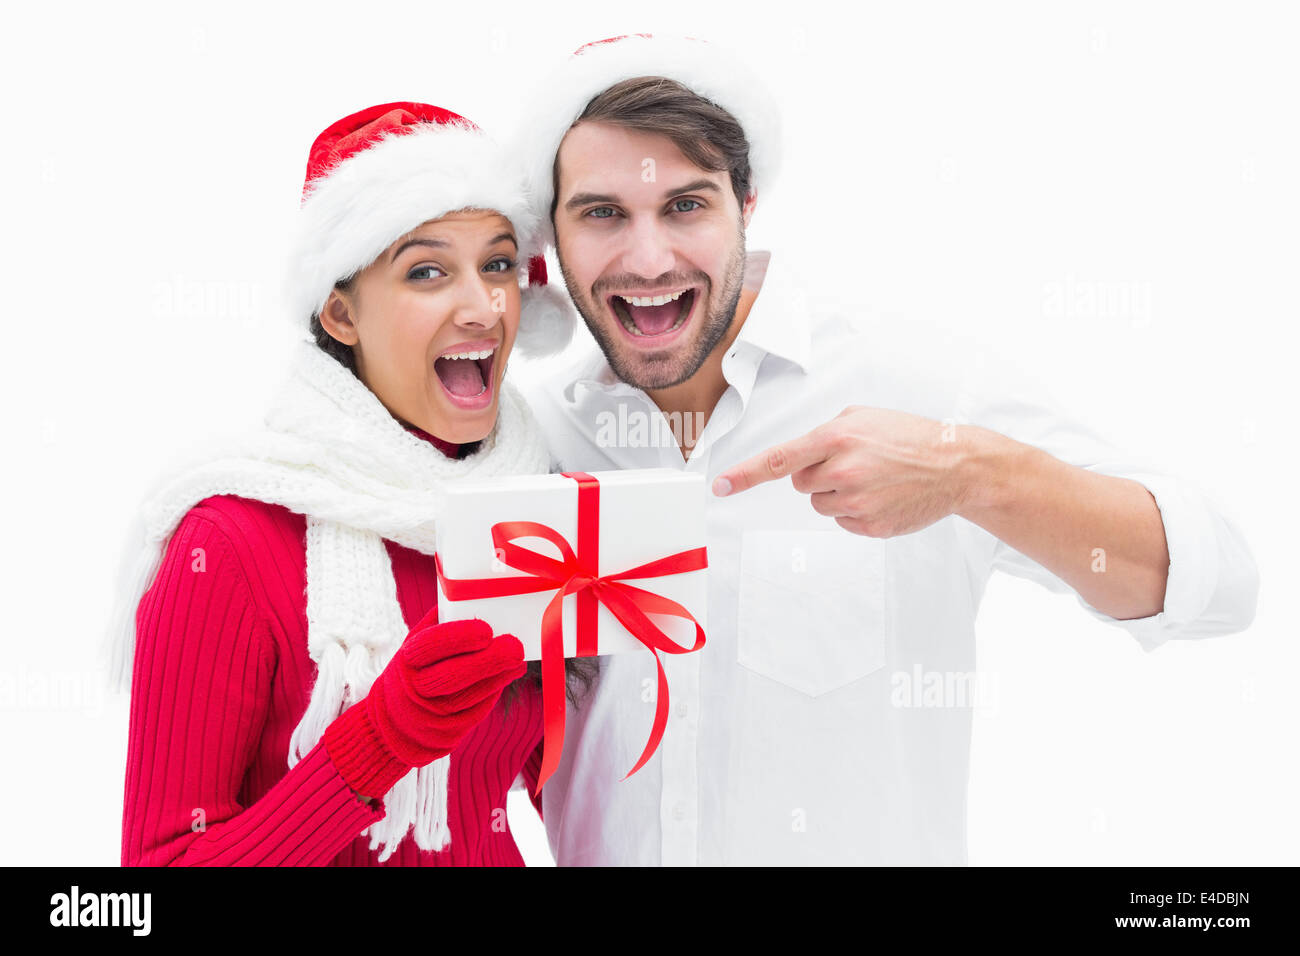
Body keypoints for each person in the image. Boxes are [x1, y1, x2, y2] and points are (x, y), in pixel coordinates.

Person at [511, 34, 1261, 865]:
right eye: (602, 213)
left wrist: (973, 474)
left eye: (686, 205)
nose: (648, 259)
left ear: (746, 205)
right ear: (552, 235)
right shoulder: (528, 443)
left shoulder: (914, 384)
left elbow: (1218, 581)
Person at [107, 101, 588, 866]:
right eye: (427, 271)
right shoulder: (229, 539)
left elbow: (576, 791)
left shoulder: (532, 514)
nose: (483, 306)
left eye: (498, 263)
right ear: (340, 314)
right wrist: (374, 745)